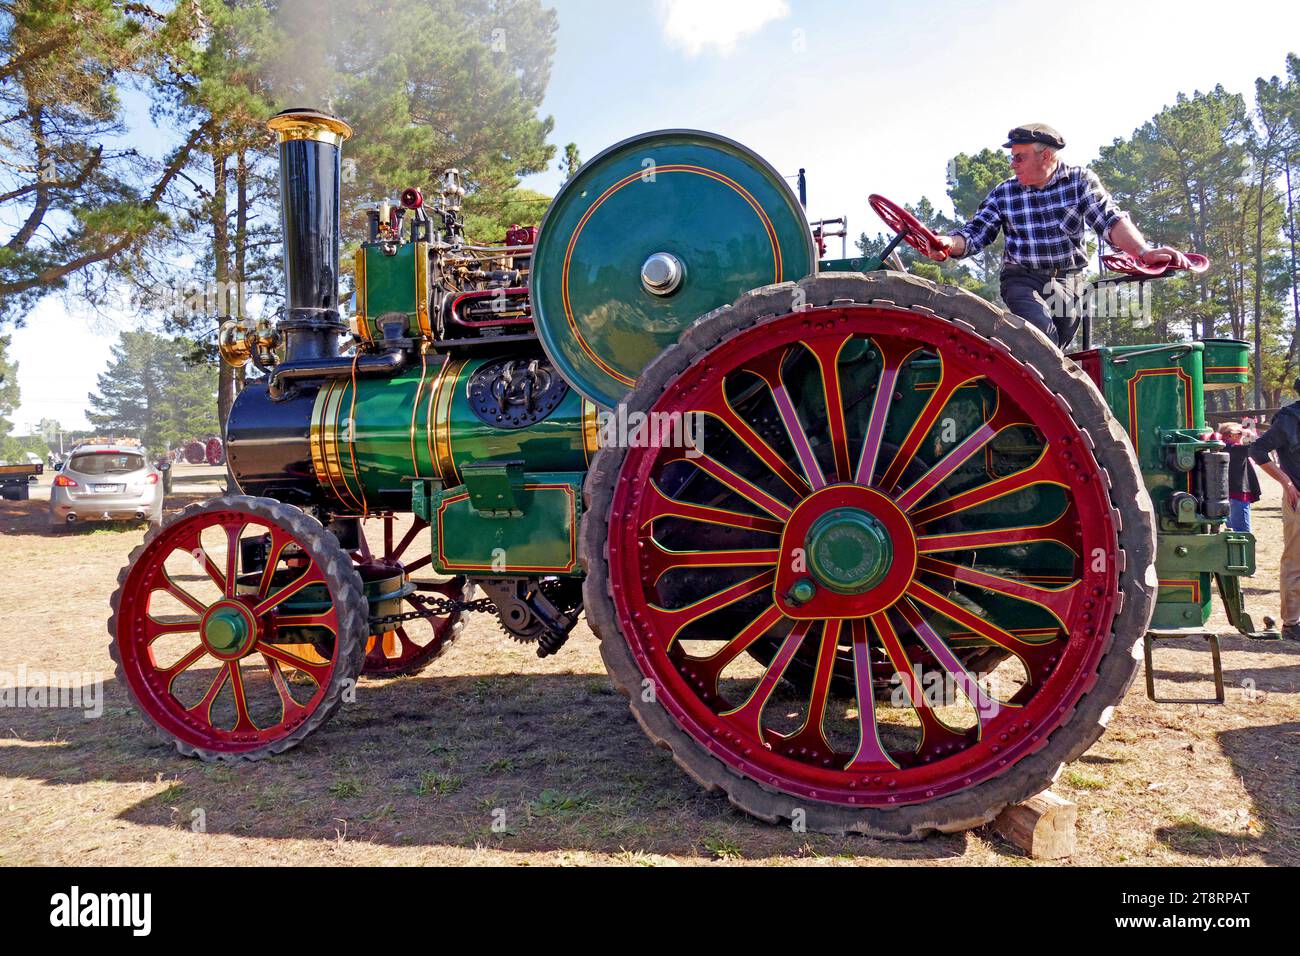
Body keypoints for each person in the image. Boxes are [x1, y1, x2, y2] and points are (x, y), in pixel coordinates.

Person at [929, 123, 1193, 350]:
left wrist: (1144, 253)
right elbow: (975, 233)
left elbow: (1109, 219)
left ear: (1045, 156)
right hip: (1022, 279)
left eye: (1019, 157)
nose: (1012, 164)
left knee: (1052, 353)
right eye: (1012, 158)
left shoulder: (1080, 182)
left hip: (1069, 282)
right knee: (1040, 339)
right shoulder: (1004, 193)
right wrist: (950, 244)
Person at [1249, 384, 1300, 641]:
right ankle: (1292, 623)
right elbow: (1257, 450)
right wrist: (1286, 482)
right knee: (1296, 562)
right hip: (1299, 497)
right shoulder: (1290, 418)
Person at [1217, 421, 1260, 532]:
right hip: (1238, 495)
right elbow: (1258, 447)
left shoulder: (1221, 447)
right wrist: (1250, 434)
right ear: (1231, 435)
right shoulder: (1234, 449)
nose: (1242, 435)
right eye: (1239, 433)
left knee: (1232, 531)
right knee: (1243, 533)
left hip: (1225, 495)